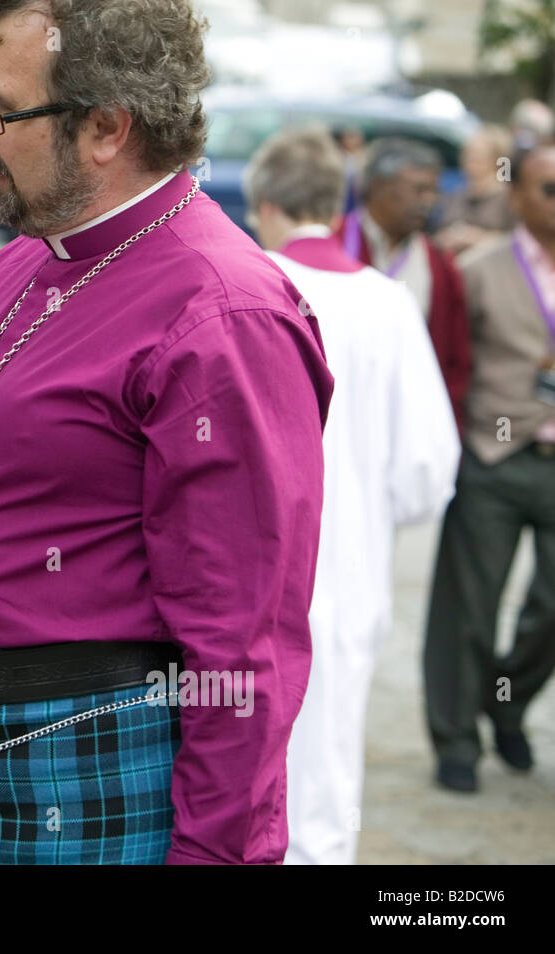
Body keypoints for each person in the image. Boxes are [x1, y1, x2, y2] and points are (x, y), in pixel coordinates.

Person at [0, 0, 333, 864]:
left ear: (107, 128)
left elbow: (246, 649)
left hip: (75, 778)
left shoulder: (223, 315)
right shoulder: (31, 254)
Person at [242, 127, 460, 864]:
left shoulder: (242, 283)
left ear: (265, 203)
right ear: (339, 207)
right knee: (328, 777)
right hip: (351, 568)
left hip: (245, 572)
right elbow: (430, 468)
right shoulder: (390, 305)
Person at [424, 144, 555, 792]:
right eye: (549, 188)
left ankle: (507, 701)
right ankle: (455, 740)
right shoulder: (478, 269)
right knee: (468, 607)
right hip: (494, 455)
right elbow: (447, 360)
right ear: (519, 197)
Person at [341, 137, 472, 432]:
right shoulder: (336, 245)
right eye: (418, 190)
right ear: (377, 187)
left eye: (433, 191)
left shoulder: (439, 265)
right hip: (345, 415)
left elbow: (454, 358)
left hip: (411, 422)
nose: (429, 201)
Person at [435, 125, 517, 258]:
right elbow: (435, 234)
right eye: (467, 154)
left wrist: (475, 238)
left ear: (497, 159)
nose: (469, 160)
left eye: (477, 156)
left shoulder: (510, 198)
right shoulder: (455, 195)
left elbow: (519, 241)